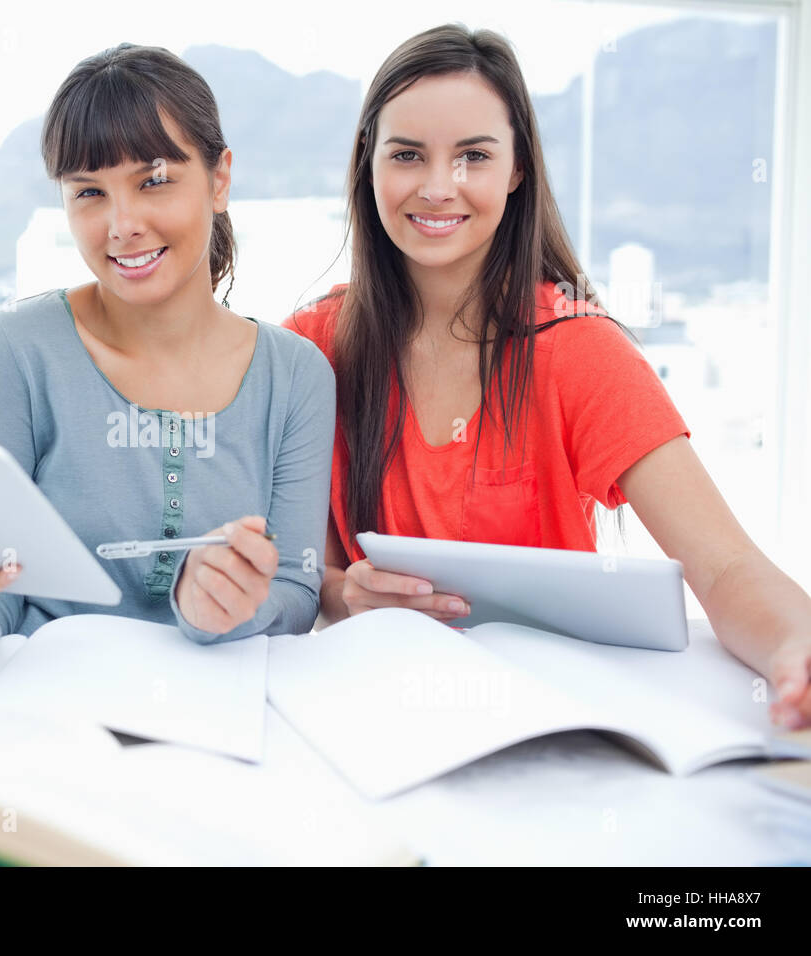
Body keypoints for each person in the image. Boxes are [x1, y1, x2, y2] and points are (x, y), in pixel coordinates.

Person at [284, 24, 811, 729]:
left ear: (518, 168)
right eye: (408, 155)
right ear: (366, 163)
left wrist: (796, 646)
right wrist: (344, 595)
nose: (440, 187)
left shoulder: (578, 349)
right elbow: (304, 577)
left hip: (554, 723)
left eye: (474, 155)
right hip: (379, 718)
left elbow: (724, 567)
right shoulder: (309, 348)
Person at [0, 43, 335, 647]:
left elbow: (298, 592)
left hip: (227, 711)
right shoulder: (15, 354)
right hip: (46, 715)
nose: (121, 224)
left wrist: (219, 608)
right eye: (89, 193)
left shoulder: (297, 375)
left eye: (154, 181)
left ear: (220, 178)